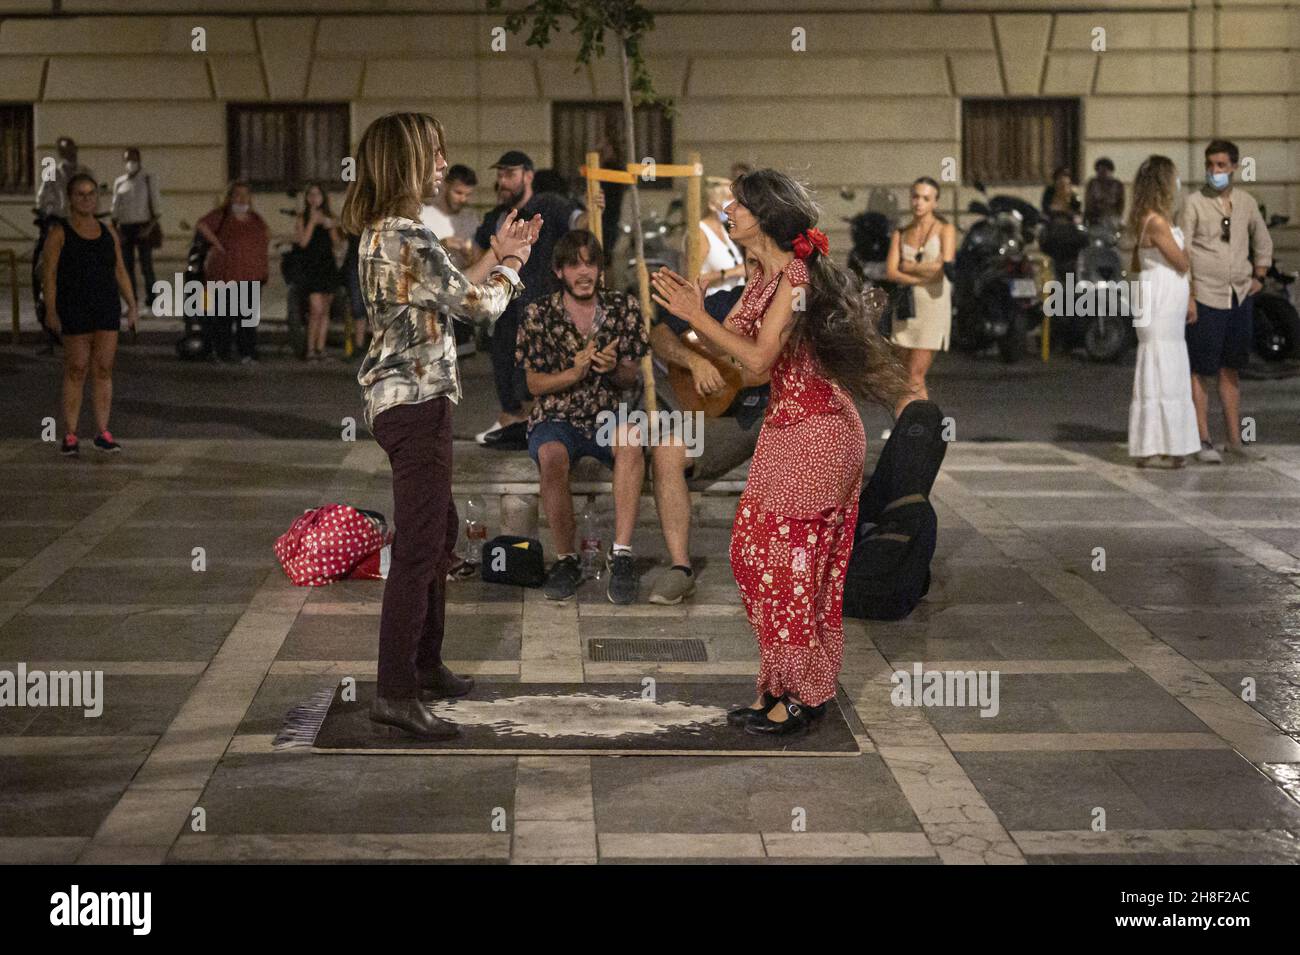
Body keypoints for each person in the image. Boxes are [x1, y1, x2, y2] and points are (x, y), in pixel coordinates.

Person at [651, 170, 908, 737]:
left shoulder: (795, 276)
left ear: (764, 215)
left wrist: (698, 320)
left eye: (738, 205)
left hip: (820, 431)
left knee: (793, 566)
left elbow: (761, 360)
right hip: (785, 425)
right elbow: (741, 361)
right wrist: (694, 329)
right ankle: (785, 687)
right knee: (750, 552)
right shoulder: (761, 273)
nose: (728, 211)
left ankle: (797, 695)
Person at [340, 111, 540, 740]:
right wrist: (512, 269)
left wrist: (496, 255)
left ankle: (424, 667)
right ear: (404, 164)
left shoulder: (388, 234)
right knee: (420, 546)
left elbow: (449, 288)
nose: (439, 166)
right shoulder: (407, 236)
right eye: (431, 156)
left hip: (408, 401)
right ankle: (395, 691)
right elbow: (476, 306)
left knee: (439, 528)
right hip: (414, 404)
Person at [518, 231, 648, 604]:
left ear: (601, 270)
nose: (584, 271)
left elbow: (630, 376)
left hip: (607, 414)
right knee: (552, 457)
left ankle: (621, 553)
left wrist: (610, 369)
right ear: (560, 270)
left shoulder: (623, 308)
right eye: (574, 264)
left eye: (590, 263)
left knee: (632, 440)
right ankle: (566, 558)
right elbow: (533, 385)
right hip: (556, 416)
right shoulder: (538, 313)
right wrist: (571, 376)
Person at [643, 252, 764, 605]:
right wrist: (694, 361)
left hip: (776, 417)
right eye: (753, 264)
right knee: (666, 450)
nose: (760, 274)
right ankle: (680, 568)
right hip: (725, 420)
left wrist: (730, 364)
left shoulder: (791, 309)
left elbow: (762, 369)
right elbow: (661, 334)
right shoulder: (727, 301)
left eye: (766, 265)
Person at [472, 150, 580, 445]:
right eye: (500, 175)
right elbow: (478, 250)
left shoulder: (546, 205)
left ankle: (542, 433)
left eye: (510, 174)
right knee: (505, 369)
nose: (503, 181)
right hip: (504, 307)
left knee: (535, 376)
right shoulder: (497, 217)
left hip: (540, 308)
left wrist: (593, 212)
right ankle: (513, 424)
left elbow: (579, 222)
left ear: (528, 176)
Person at [1181, 139, 1274, 463]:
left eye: (1221, 165)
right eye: (1210, 165)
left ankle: (1235, 440)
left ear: (1234, 167)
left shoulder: (1246, 203)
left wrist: (1258, 276)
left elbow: (1262, 240)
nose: (1214, 171)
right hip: (1206, 294)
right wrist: (1189, 294)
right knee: (1200, 368)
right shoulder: (1193, 203)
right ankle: (1202, 439)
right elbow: (1184, 251)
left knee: (1231, 368)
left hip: (1238, 295)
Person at [42, 173, 136, 456]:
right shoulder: (60, 232)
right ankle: (70, 434)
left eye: (91, 193)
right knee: (77, 368)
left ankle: (103, 432)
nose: (87, 199)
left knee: (104, 368)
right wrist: (51, 310)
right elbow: (50, 274)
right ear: (70, 199)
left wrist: (131, 304)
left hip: (106, 306)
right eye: (81, 194)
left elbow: (120, 269)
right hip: (75, 307)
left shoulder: (108, 232)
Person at [1127, 156, 1198, 469]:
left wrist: (1190, 296)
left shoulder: (1155, 219)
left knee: (1168, 365)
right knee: (1161, 366)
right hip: (1160, 298)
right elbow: (1181, 262)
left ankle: (1167, 443)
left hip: (1166, 297)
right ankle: (1158, 444)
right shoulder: (1155, 222)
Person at [884, 176, 955, 416]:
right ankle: (915, 429)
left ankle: (910, 427)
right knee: (903, 374)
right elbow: (892, 271)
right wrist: (920, 275)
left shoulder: (945, 229)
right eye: (915, 196)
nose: (919, 203)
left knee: (916, 373)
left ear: (935, 202)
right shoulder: (901, 233)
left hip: (932, 308)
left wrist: (909, 266)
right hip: (906, 308)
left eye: (926, 198)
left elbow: (941, 269)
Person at [196, 181, 269, 364]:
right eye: (237, 194)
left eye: (246, 195)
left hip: (251, 275)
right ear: (230, 197)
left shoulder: (255, 218)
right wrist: (217, 244)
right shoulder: (221, 215)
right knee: (224, 316)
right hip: (225, 274)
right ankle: (222, 352)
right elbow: (201, 225)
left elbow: (265, 235)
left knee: (247, 318)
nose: (242, 198)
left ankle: (247, 352)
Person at [33, 136, 94, 350]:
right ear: (59, 153)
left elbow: (94, 198)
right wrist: (48, 214)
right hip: (58, 227)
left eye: (72, 150)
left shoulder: (85, 171)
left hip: (81, 227)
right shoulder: (52, 172)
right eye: (64, 151)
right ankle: (51, 333)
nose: (69, 154)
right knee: (45, 274)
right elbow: (43, 198)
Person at [295, 182, 344, 361]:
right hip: (311, 267)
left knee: (325, 310)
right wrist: (313, 222)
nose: (314, 198)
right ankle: (309, 350)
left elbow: (338, 244)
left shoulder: (329, 217)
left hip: (327, 266)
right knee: (315, 309)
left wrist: (331, 226)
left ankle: (320, 348)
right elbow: (303, 243)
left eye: (318, 195)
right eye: (311, 195)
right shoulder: (303, 218)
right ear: (307, 198)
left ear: (323, 198)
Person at [110, 147, 162, 314]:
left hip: (143, 227)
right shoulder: (119, 181)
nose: (130, 163)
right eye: (127, 159)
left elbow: (156, 207)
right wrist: (116, 228)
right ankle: (131, 302)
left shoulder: (148, 178)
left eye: (133, 159)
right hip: (125, 228)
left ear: (139, 160)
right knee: (126, 267)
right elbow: (115, 208)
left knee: (147, 266)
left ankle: (152, 300)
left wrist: (149, 228)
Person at [421, 163, 479, 268]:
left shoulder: (471, 219)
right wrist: (443, 244)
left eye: (468, 194)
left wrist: (470, 256)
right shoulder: (423, 215)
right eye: (458, 192)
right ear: (445, 185)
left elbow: (476, 260)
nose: (463, 199)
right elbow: (415, 256)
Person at [695, 177, 745, 293]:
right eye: (728, 199)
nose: (734, 205)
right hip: (711, 304)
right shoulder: (701, 232)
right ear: (712, 205)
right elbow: (693, 278)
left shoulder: (723, 228)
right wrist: (732, 272)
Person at [1084, 157, 1125, 227]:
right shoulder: (1092, 183)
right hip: (1095, 220)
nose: (1102, 175)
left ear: (1110, 172)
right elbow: (1088, 203)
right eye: (1099, 171)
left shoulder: (1117, 185)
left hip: (1112, 219)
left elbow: (1121, 204)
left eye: (1104, 171)